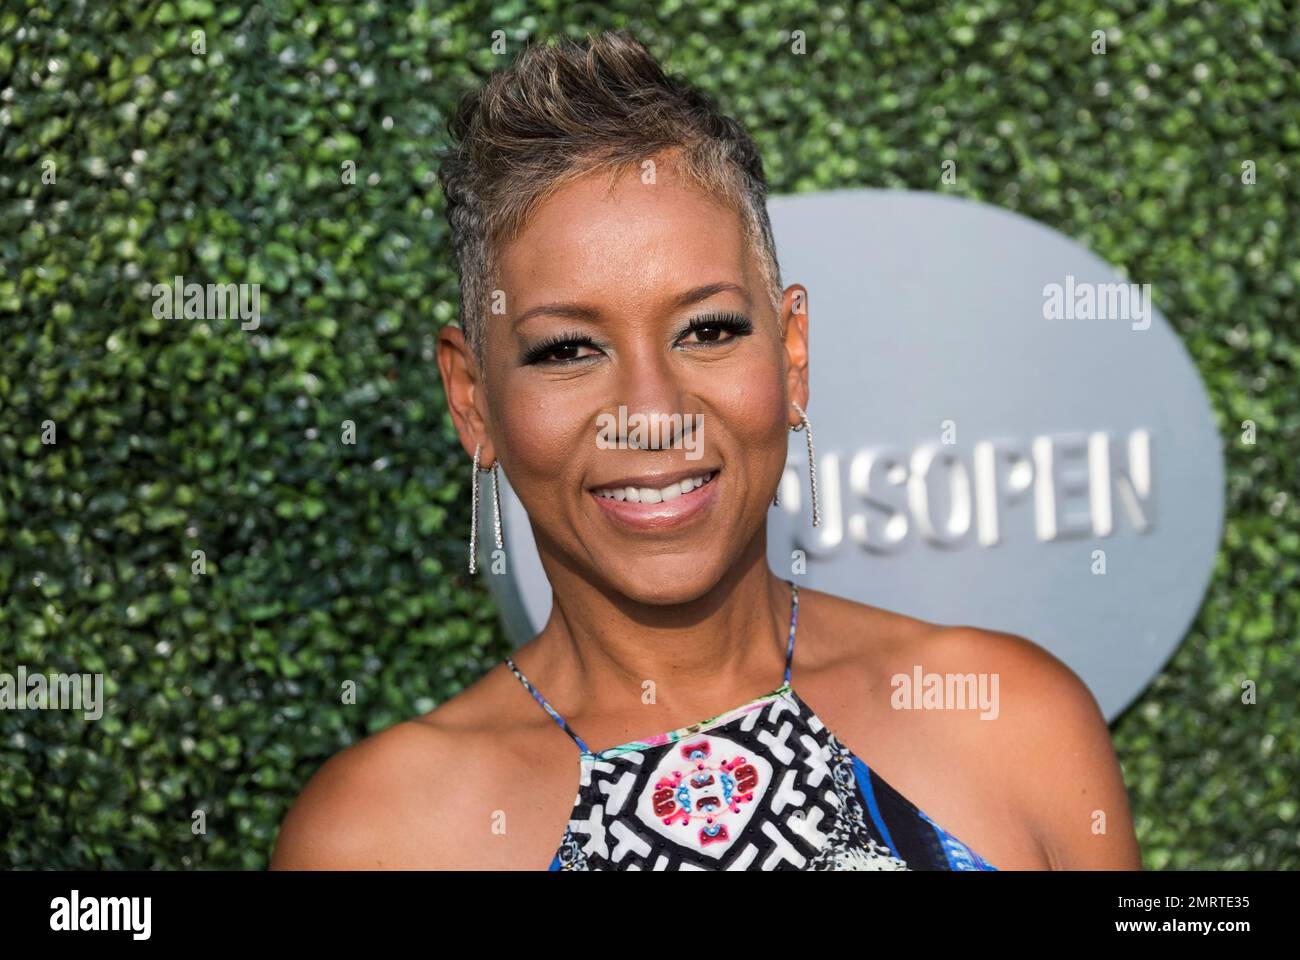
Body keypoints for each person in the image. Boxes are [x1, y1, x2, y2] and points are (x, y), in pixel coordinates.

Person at [271, 29, 1142, 871]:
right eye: (569, 349)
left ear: (791, 353)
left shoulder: (1010, 718)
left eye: (708, 330)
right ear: (474, 400)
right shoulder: (377, 837)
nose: (654, 414)